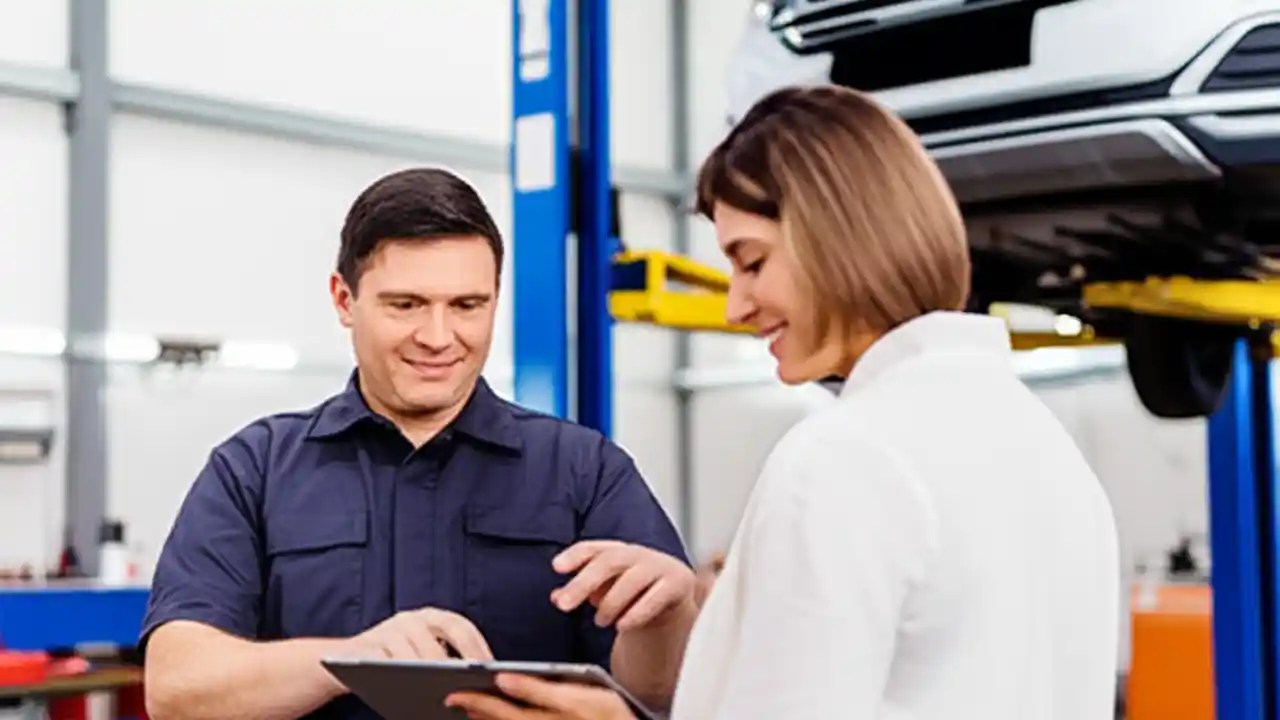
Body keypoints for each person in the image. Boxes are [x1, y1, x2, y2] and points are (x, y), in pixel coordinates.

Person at [445, 85, 1121, 720]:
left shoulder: (844, 459)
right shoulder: (1050, 452)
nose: (737, 306)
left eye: (753, 261)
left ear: (841, 235)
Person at [140, 168, 700, 720]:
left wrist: (667, 619)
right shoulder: (255, 470)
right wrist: (348, 659)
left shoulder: (584, 471)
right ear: (343, 299)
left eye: (466, 306)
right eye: (405, 305)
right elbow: (177, 690)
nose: (437, 337)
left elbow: (659, 697)